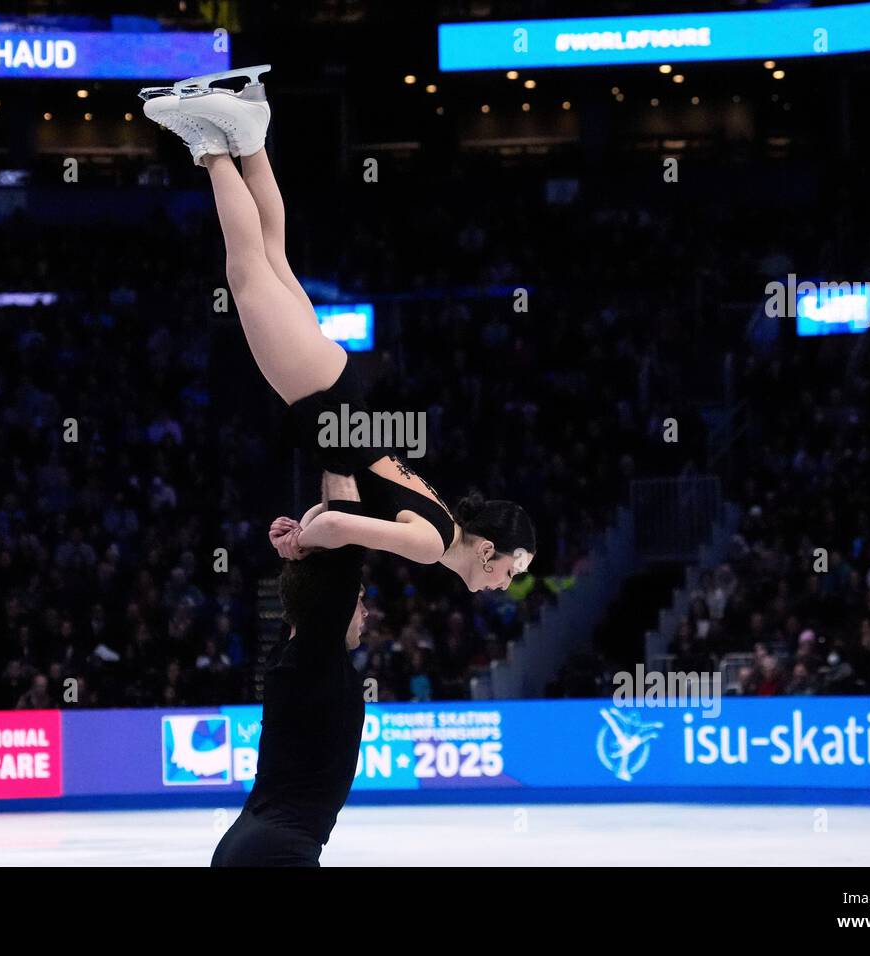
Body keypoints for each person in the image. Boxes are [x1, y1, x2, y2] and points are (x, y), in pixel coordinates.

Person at [142, 68, 536, 593]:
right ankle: (214, 145)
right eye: (511, 572)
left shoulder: (441, 520)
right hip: (321, 394)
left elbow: (353, 489)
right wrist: (306, 539)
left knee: (270, 256)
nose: (506, 584)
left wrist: (308, 523)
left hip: (336, 390)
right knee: (247, 271)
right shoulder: (430, 544)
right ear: (489, 552)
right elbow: (337, 523)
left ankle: (251, 127)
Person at [211, 472, 368, 867]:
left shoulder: (291, 653)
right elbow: (344, 534)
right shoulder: (315, 657)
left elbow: (314, 574)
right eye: (359, 599)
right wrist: (338, 450)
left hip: (249, 843)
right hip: (276, 851)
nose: (365, 612)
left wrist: (302, 539)